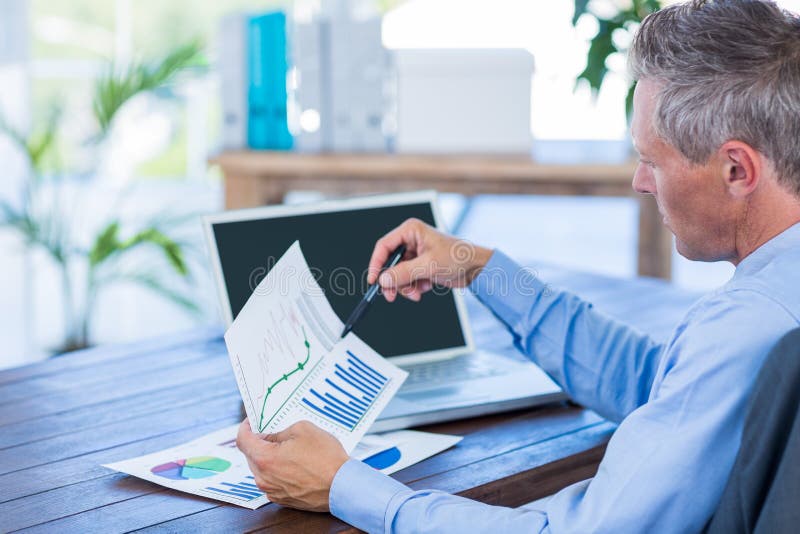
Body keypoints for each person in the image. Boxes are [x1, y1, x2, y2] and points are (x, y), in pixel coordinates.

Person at [235, 1, 800, 531]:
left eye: (652, 160)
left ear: (736, 170)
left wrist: (342, 485)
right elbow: (657, 385)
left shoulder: (745, 324)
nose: (639, 181)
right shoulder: (770, 301)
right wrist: (481, 269)